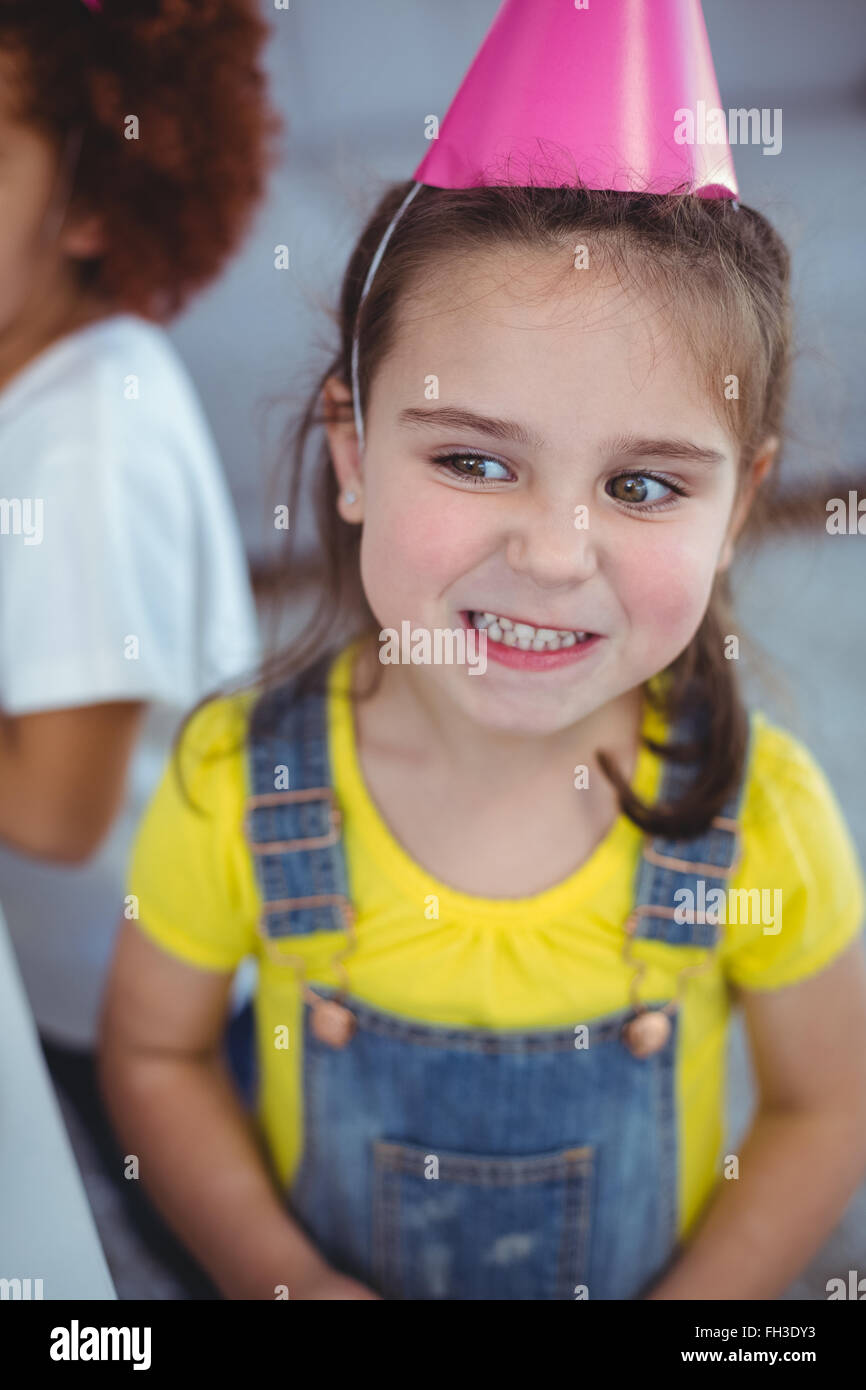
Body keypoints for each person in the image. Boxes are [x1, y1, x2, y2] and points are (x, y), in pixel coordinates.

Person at [99, 0, 866, 1300]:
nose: (554, 553)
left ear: (738, 507)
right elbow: (157, 1061)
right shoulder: (236, 779)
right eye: (471, 458)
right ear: (351, 452)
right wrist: (279, 1276)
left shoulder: (763, 819)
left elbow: (823, 1110)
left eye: (641, 487)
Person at [0, 0, 276, 1289]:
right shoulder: (35, 368)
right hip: (81, 976)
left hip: (147, 1004)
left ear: (98, 201)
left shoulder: (82, 449)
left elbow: (56, 811)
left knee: (210, 1241)